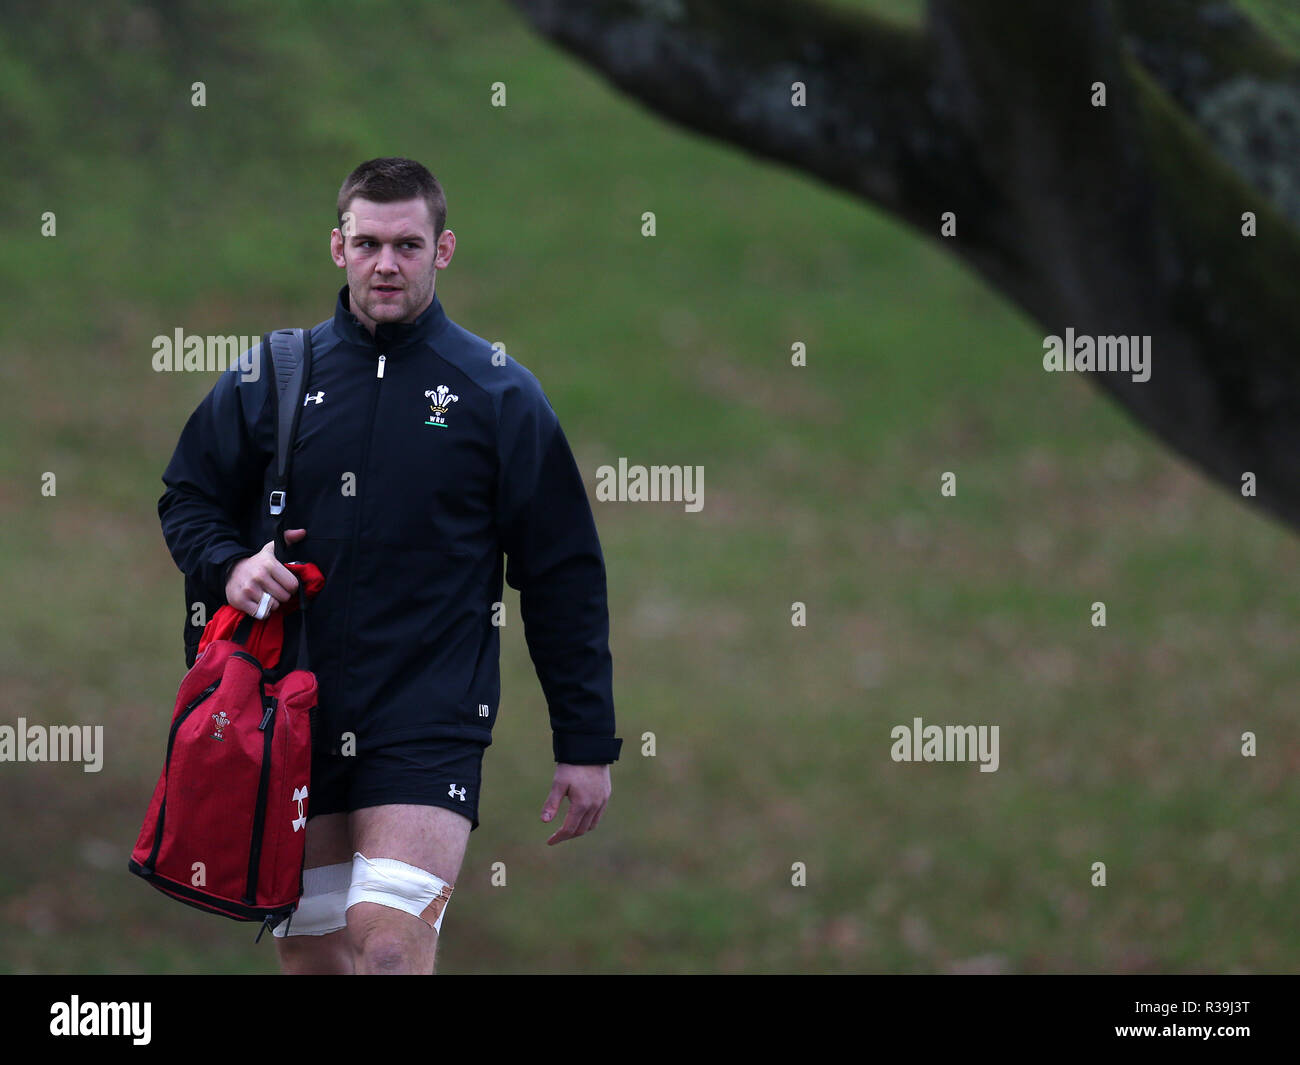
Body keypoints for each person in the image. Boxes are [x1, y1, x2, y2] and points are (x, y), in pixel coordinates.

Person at [158, 157, 621, 974]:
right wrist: (229, 566)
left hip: (428, 717)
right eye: (368, 243)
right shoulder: (272, 375)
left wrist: (584, 741)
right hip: (290, 710)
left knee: (388, 947)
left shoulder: (497, 393)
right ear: (337, 247)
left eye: (407, 245)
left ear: (443, 250)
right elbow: (187, 497)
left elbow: (563, 574)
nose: (386, 264)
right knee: (317, 962)